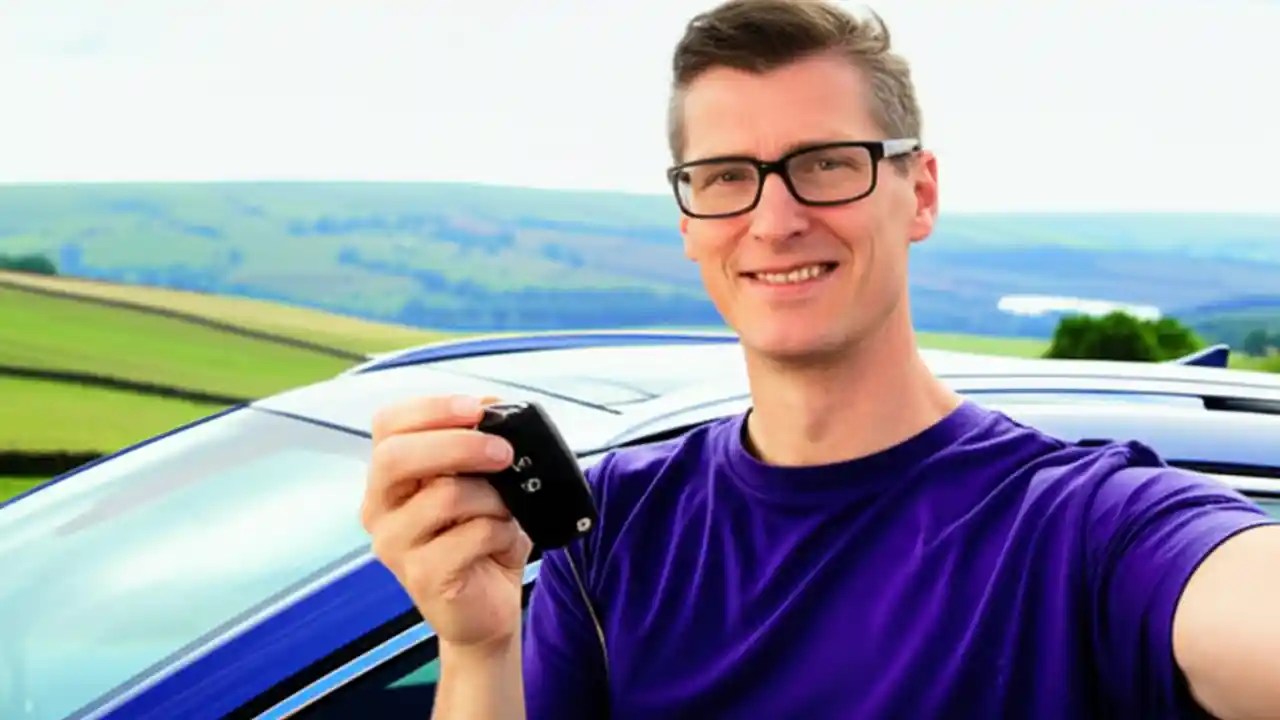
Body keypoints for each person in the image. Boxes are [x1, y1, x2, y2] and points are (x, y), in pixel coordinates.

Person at [360, 1, 1280, 718]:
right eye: (725, 177)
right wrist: (479, 651)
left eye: (827, 163)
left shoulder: (1080, 527)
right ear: (687, 219)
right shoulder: (615, 531)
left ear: (918, 193)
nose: (774, 219)